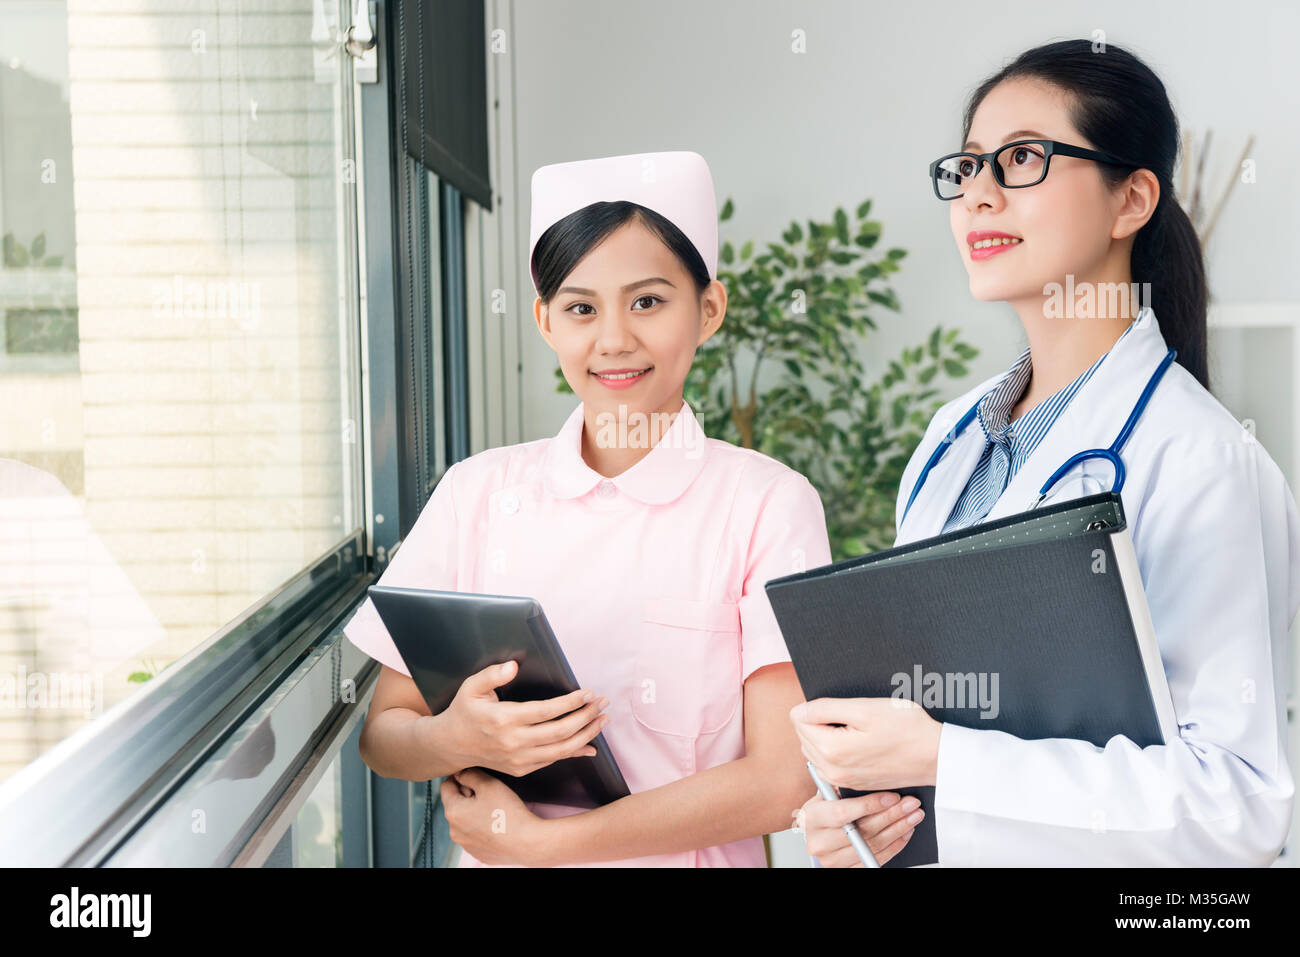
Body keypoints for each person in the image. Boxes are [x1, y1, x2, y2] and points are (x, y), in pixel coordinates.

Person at [793, 39, 1300, 866]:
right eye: (966, 168)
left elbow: (1236, 809)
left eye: (1022, 158)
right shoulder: (949, 442)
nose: (977, 196)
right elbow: (929, 728)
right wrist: (856, 821)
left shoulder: (1203, 461)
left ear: (1131, 198)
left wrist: (944, 761)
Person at [344, 150, 831, 866]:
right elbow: (384, 736)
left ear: (710, 309)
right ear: (545, 321)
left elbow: (780, 779)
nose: (613, 340)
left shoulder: (767, 504)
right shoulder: (476, 493)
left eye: (648, 301)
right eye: (580, 308)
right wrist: (461, 738)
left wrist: (549, 844)